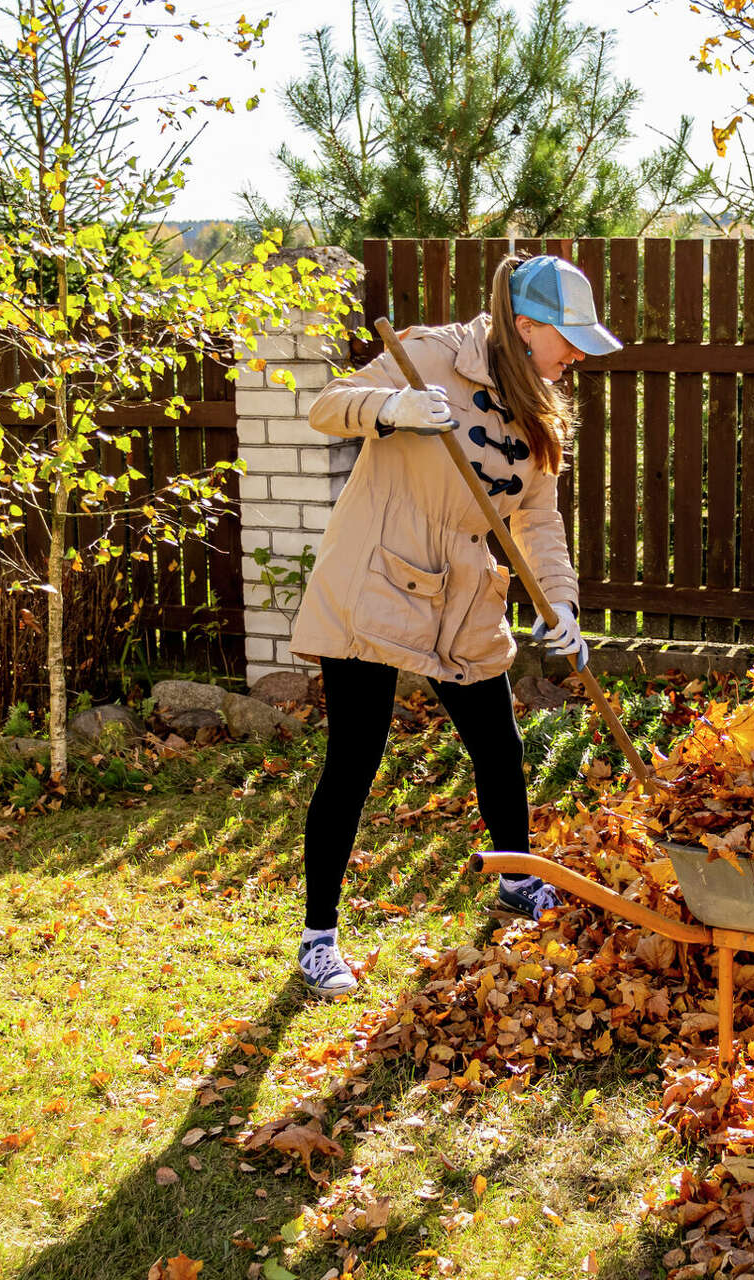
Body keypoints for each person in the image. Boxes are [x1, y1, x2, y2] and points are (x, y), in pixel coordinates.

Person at [284, 253, 622, 998]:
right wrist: (393, 409)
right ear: (525, 327)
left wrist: (559, 603)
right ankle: (318, 937)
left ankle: (516, 884)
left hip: (466, 593)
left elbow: (536, 515)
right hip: (375, 576)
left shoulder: (539, 400)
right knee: (355, 757)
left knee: (498, 746)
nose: (575, 357)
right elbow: (328, 405)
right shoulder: (429, 353)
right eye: (567, 339)